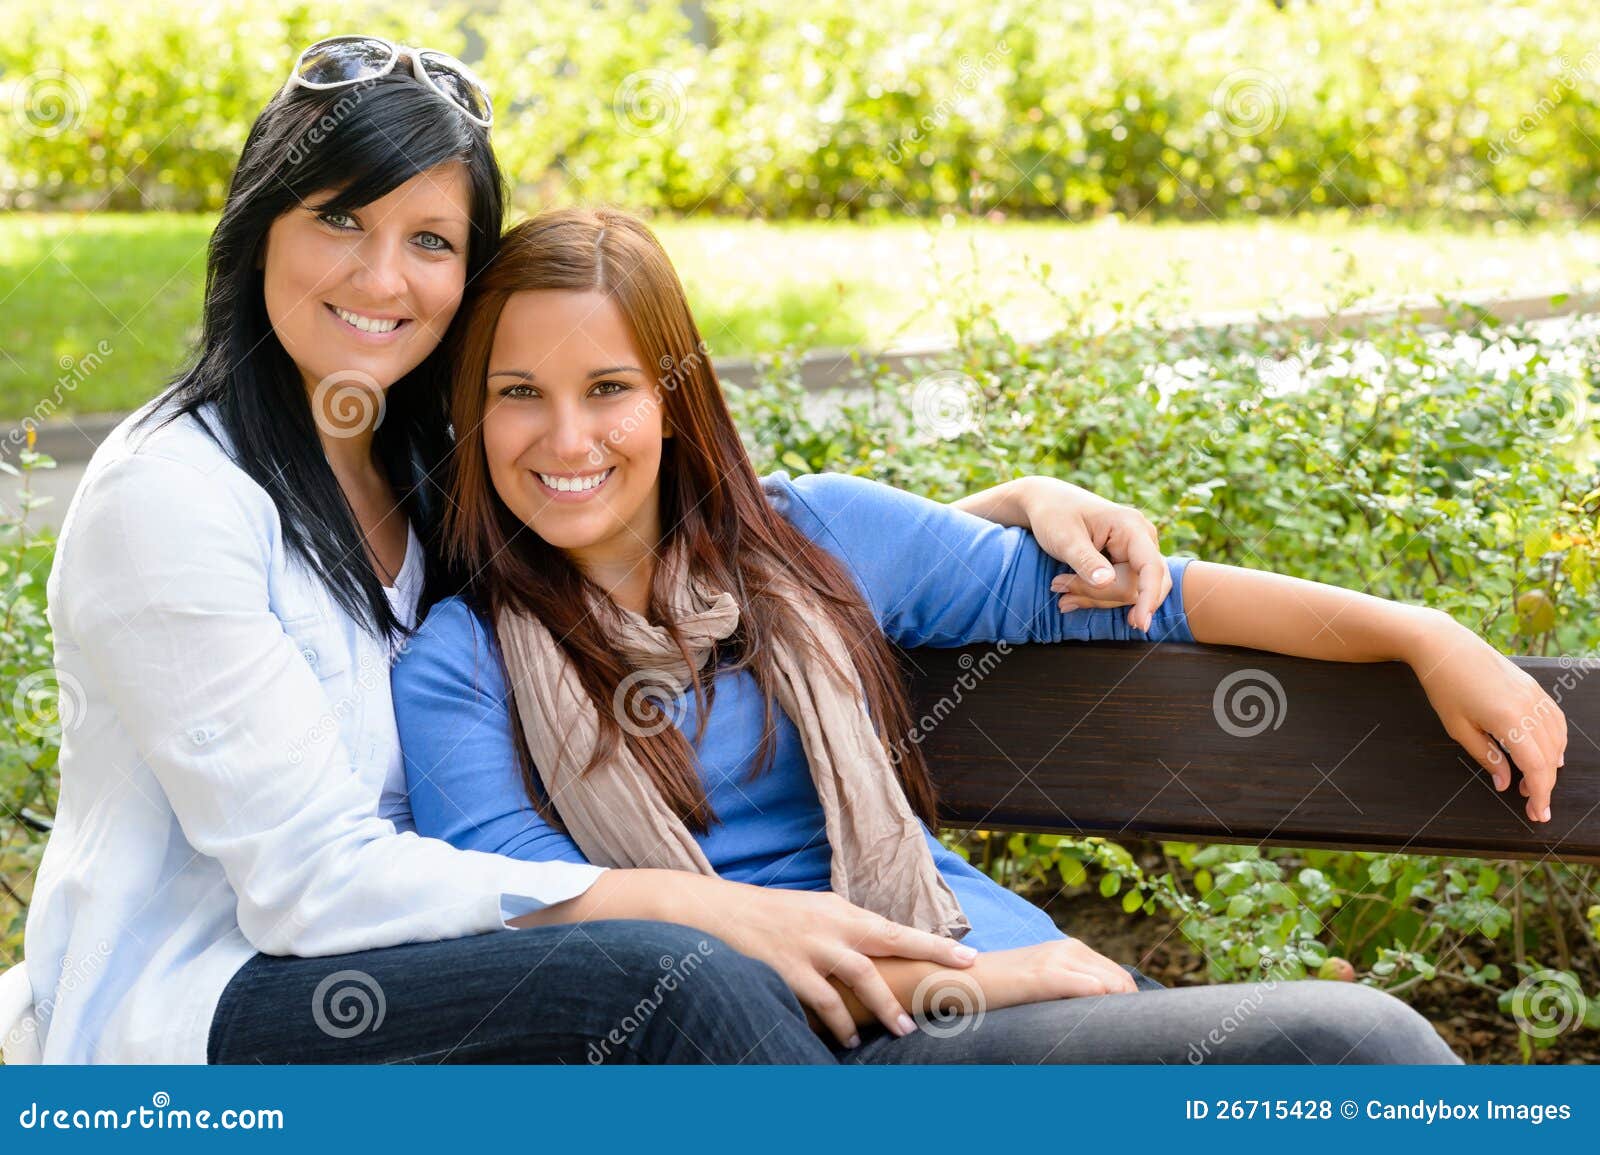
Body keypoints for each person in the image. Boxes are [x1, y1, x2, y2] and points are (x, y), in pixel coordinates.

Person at [9, 37, 1173, 1065]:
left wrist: (1004, 511)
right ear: (257, 226)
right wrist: (706, 908)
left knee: (684, 976)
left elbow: (694, 547)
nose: (380, 277)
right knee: (667, 973)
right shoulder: (170, 500)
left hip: (428, 952)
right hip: (208, 1010)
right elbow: (312, 886)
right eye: (338, 220)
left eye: (430, 239)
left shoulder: (421, 461)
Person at [393, 205, 1567, 1063]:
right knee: (1348, 1046)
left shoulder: (815, 541)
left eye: (607, 389)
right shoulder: (462, 664)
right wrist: (975, 983)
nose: (565, 439)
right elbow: (552, 935)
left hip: (1012, 985)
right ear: (470, 413)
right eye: (516, 393)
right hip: (835, 1044)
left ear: (672, 396)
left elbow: (1150, 597)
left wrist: (1419, 633)